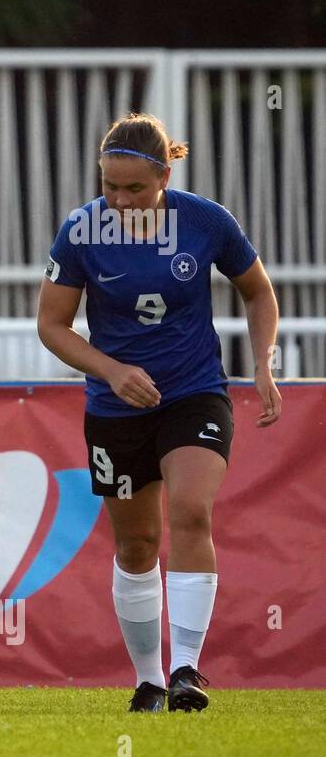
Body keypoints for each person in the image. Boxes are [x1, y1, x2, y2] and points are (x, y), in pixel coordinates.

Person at [37, 113, 281, 713]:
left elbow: (258, 290)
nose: (120, 200)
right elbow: (51, 325)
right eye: (109, 188)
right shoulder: (82, 231)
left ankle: (186, 670)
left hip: (193, 392)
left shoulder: (204, 221)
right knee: (137, 544)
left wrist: (263, 363)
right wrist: (112, 371)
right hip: (115, 405)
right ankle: (147, 679)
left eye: (134, 189)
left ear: (164, 176)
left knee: (192, 512)